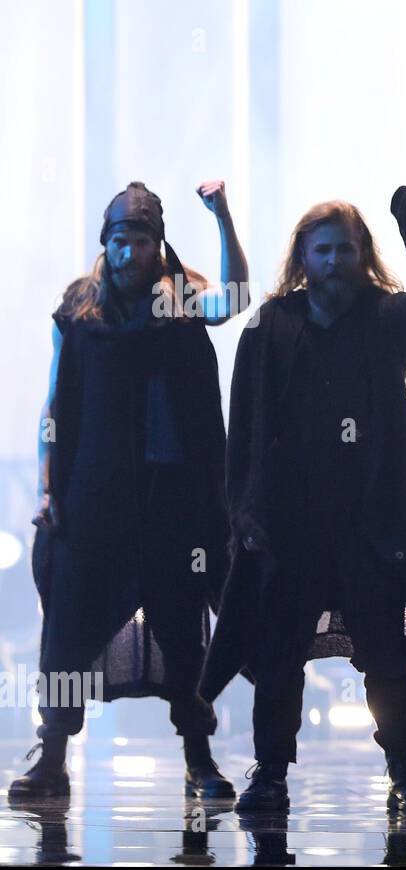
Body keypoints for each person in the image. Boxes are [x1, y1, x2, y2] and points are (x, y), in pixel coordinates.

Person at [201, 186, 406, 815]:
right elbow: (244, 430)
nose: (333, 262)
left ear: (361, 254)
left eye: (344, 250)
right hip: (291, 524)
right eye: (322, 251)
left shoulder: (384, 317)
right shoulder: (271, 325)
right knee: (279, 652)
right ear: (303, 256)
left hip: (371, 522)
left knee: (382, 653)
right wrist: (244, 515)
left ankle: (403, 769)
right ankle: (269, 772)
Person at [11, 181, 247, 804]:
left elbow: (237, 299)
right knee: (68, 626)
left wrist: (222, 217)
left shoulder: (178, 299)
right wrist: (46, 486)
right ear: (106, 243)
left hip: (172, 493)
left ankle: (198, 754)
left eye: (141, 241)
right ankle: (53, 751)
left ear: (156, 243)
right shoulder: (81, 310)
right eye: (120, 241)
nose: (129, 253)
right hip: (96, 493)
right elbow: (56, 402)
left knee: (180, 626)